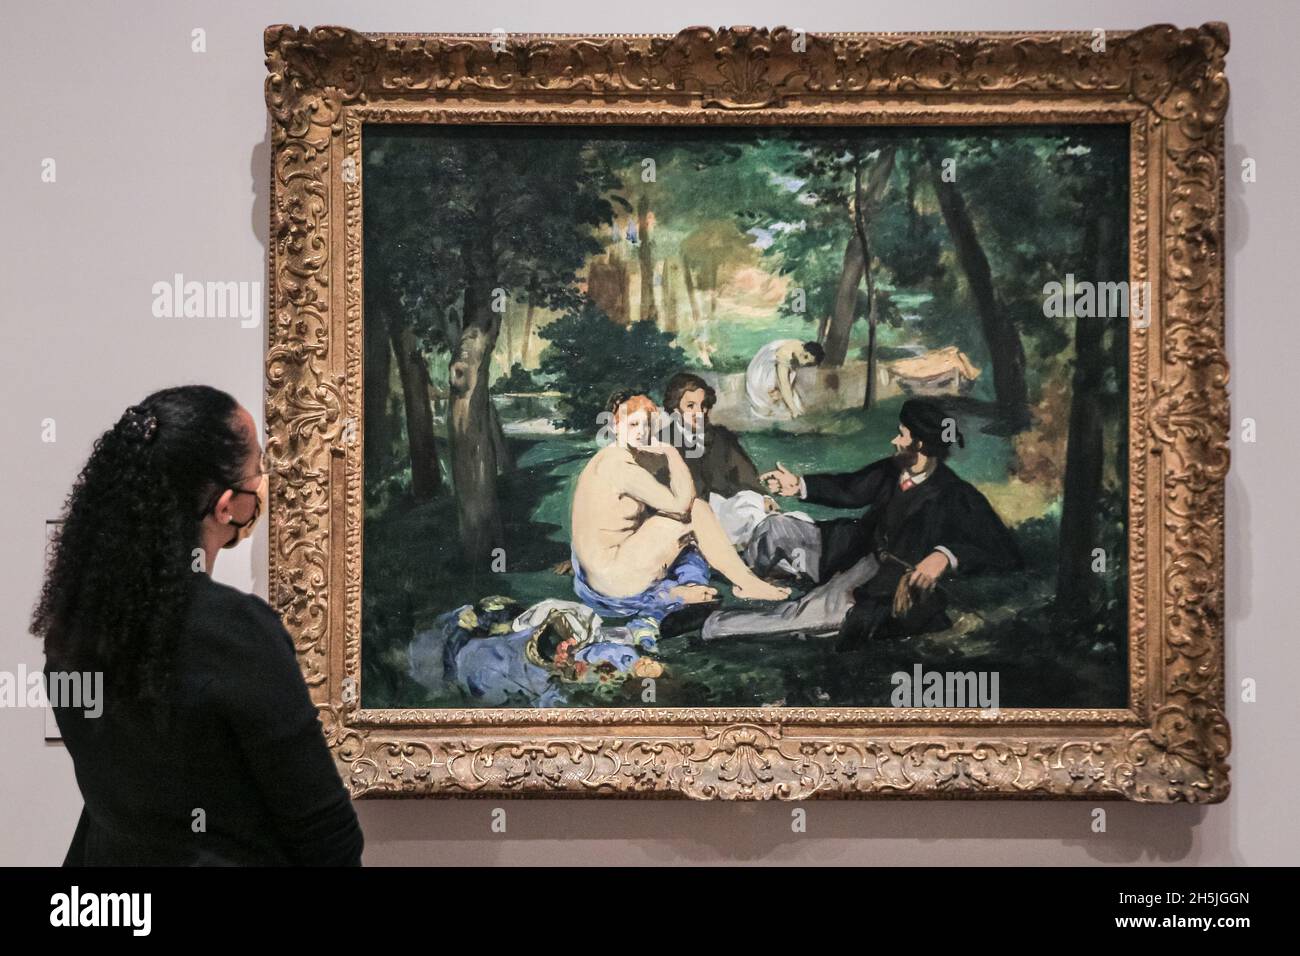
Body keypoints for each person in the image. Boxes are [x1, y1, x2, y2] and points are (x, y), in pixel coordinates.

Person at [32, 386, 364, 865]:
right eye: (257, 468)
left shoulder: (69, 630)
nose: (264, 481)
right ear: (227, 505)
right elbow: (328, 838)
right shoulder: (238, 634)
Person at [701, 398, 1022, 650]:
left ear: (920, 445)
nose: (895, 441)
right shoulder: (894, 469)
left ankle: (711, 623)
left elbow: (1001, 550)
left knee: (801, 615)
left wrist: (944, 556)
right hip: (846, 547)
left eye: (902, 434)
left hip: (875, 577)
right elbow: (850, 488)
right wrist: (798, 485)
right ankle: (734, 570)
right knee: (776, 528)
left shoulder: (956, 495)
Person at [570, 392, 790, 618]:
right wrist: (671, 453)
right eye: (633, 424)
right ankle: (746, 582)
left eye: (646, 425)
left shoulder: (611, 457)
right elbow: (682, 505)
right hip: (613, 577)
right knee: (697, 510)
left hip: (603, 572)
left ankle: (712, 582)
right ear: (615, 426)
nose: (642, 432)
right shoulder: (619, 466)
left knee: (686, 520)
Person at [744, 339, 824, 419]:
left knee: (794, 403)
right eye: (805, 357)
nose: (804, 363)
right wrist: (793, 409)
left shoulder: (803, 350)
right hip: (762, 370)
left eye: (808, 363)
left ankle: (786, 403)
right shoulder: (785, 354)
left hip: (778, 368)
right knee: (777, 400)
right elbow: (784, 384)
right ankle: (774, 398)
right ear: (804, 348)